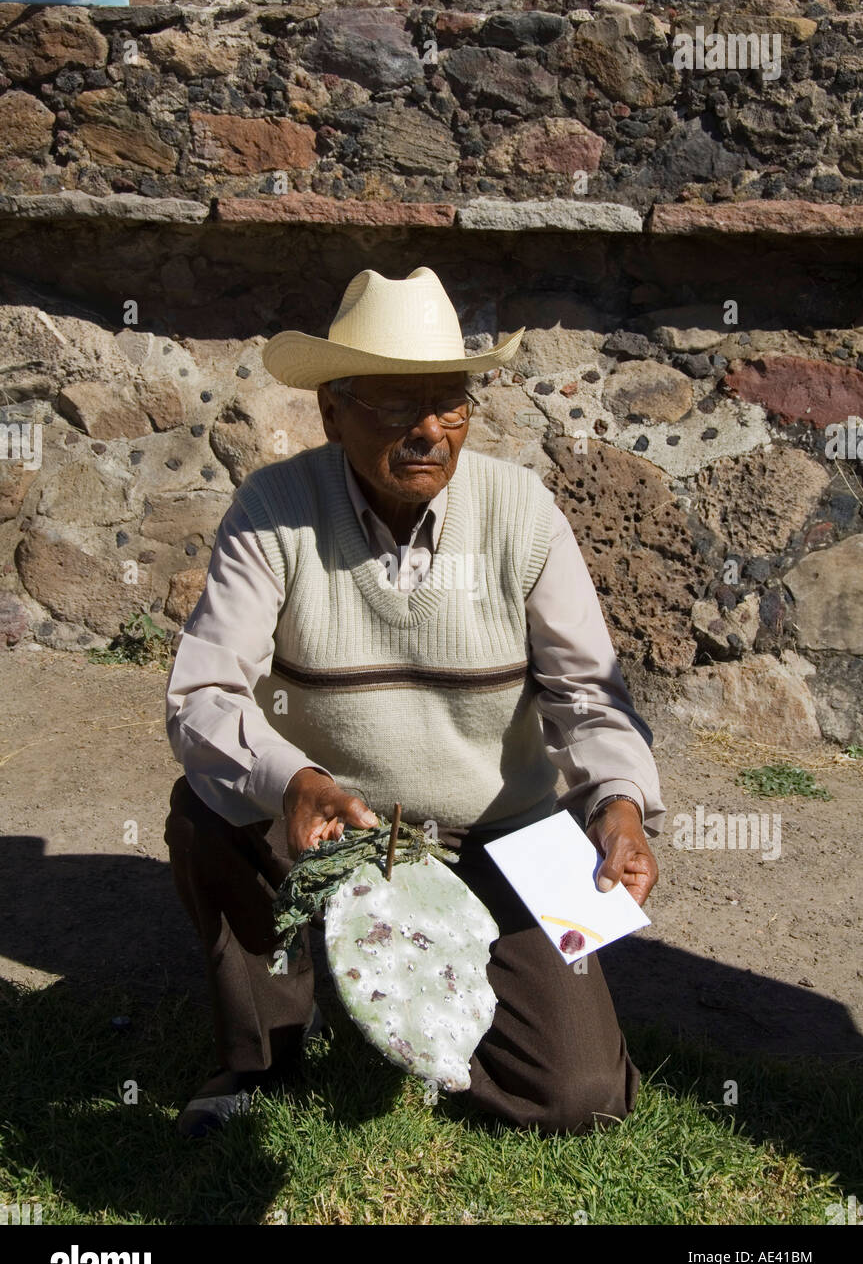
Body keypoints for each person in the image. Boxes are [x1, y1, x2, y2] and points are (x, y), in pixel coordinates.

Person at [164, 265, 665, 1139]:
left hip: (494, 833)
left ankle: (410, 997)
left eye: (451, 405)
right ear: (331, 411)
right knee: (211, 804)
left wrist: (618, 803)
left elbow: (586, 692)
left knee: (576, 1098)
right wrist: (294, 779)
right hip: (333, 823)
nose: (430, 431)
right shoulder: (273, 510)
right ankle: (264, 1048)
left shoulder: (522, 513)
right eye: (396, 407)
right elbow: (204, 696)